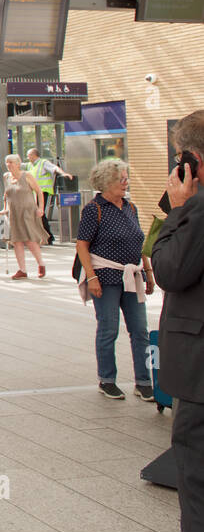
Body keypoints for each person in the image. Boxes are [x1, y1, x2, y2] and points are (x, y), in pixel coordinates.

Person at [151, 110, 204, 532]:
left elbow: (169, 269)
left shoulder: (196, 210)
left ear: (191, 161)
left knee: (196, 479)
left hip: (200, 374)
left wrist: (179, 211)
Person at [75, 158, 155, 401]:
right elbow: (82, 245)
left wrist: (148, 272)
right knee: (109, 329)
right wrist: (91, 277)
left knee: (140, 330)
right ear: (107, 182)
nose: (126, 182)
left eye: (125, 178)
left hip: (132, 276)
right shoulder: (94, 209)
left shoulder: (130, 207)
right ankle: (107, 380)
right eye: (121, 179)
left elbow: (139, 242)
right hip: (106, 276)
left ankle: (143, 382)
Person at [3, 153, 47, 279]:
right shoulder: (6, 177)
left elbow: (39, 191)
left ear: (18, 164)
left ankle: (41, 264)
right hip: (14, 212)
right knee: (16, 241)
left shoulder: (26, 175)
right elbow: (5, 195)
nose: (9, 165)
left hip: (28, 211)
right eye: (7, 162)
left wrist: (41, 208)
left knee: (30, 240)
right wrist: (5, 208)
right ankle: (22, 270)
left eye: (11, 162)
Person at [26, 147, 73, 246]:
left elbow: (54, 168)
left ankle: (48, 236)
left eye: (29, 155)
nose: (27, 157)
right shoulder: (30, 166)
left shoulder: (43, 162)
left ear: (34, 155)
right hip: (34, 193)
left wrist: (64, 174)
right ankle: (43, 236)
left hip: (43, 192)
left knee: (39, 213)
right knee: (36, 214)